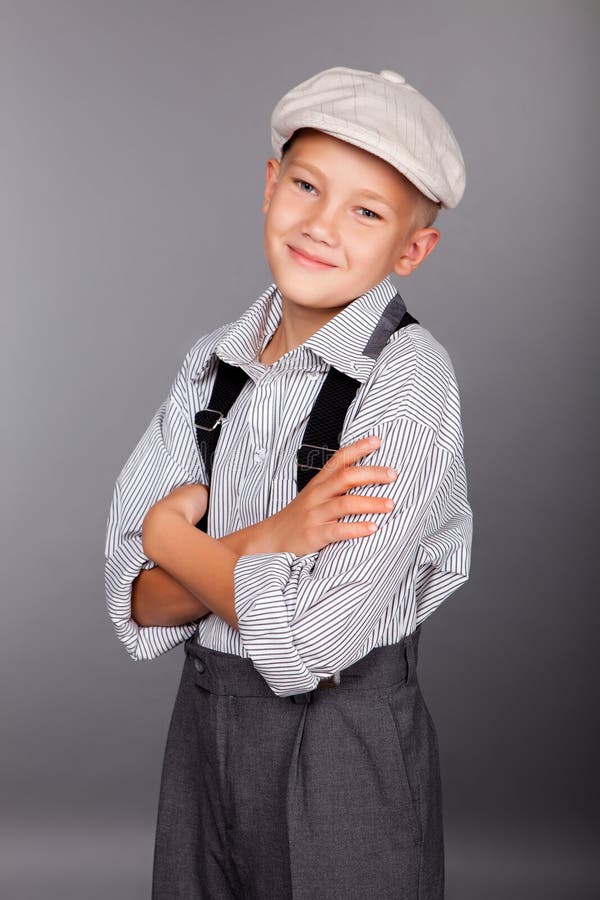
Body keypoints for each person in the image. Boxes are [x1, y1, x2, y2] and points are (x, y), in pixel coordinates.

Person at [104, 65, 473, 899]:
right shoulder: (209, 364)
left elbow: (308, 642)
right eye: (306, 185)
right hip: (203, 737)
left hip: (342, 747)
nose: (320, 226)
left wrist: (175, 544)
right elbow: (134, 599)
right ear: (271, 184)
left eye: (367, 211)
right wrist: (263, 539)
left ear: (412, 248)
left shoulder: (410, 382)